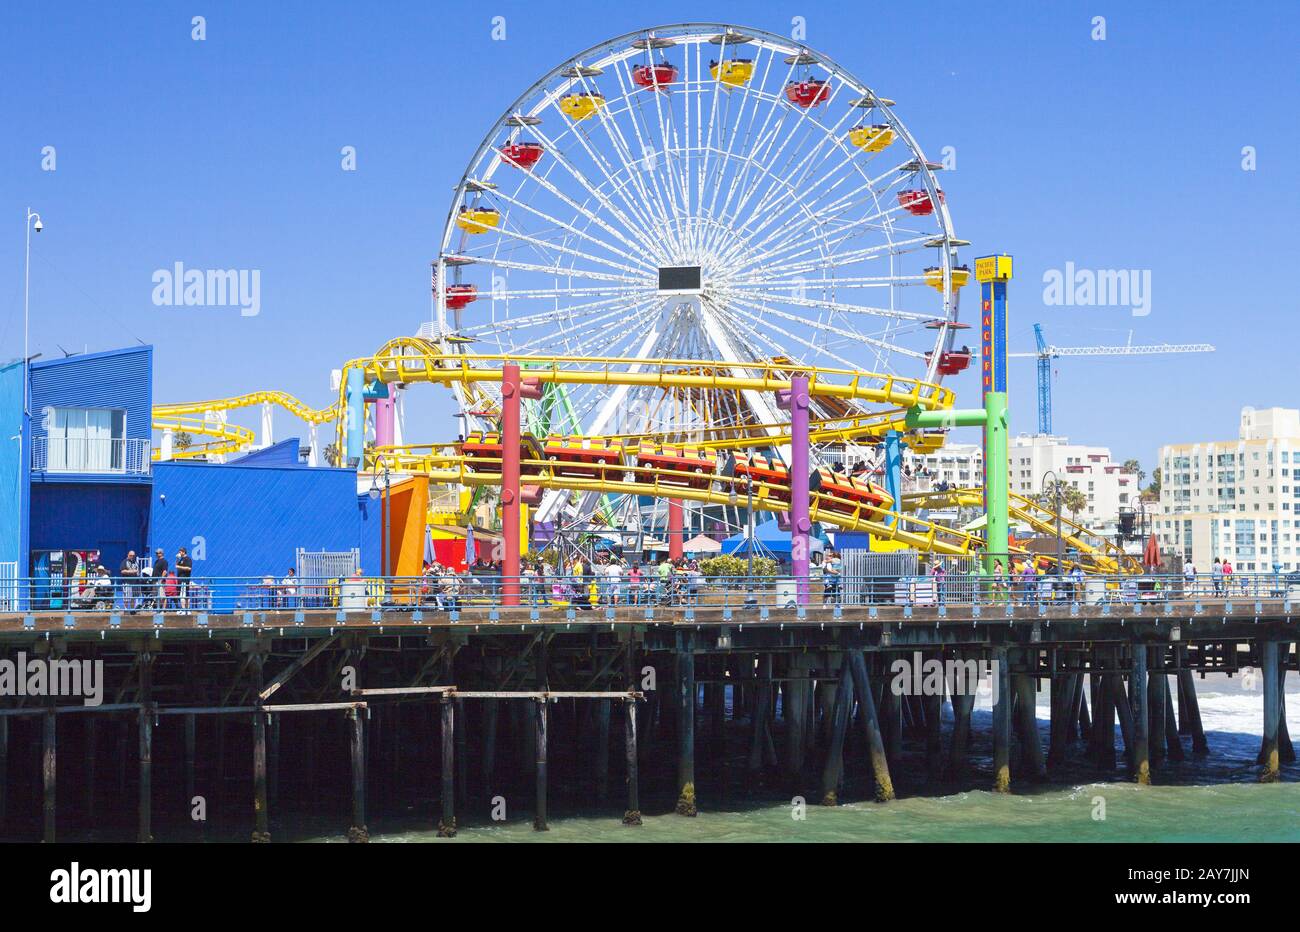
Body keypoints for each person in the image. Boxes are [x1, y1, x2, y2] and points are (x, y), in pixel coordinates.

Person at [175, 546, 193, 614]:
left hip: (184, 580)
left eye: (180, 552)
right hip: (180, 579)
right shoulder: (181, 559)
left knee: (183, 595)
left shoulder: (187, 559)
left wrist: (179, 567)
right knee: (184, 594)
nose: (179, 553)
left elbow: (189, 568)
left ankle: (184, 610)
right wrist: (177, 559)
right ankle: (186, 610)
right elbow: (176, 566)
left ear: (183, 552)